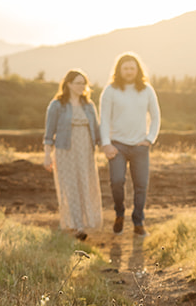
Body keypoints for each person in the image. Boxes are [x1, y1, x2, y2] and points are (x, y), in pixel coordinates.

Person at [99, 52, 160, 235]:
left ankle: (138, 222)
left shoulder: (147, 90)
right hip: (117, 145)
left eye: (132, 68)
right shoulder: (110, 90)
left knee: (141, 185)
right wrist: (106, 144)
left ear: (137, 70)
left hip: (140, 146)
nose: (129, 71)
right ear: (119, 70)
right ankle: (119, 214)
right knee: (117, 181)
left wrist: (149, 139)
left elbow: (156, 117)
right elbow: (104, 120)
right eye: (125, 68)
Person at [43, 69, 103, 239]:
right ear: (68, 84)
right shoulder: (57, 105)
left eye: (84, 83)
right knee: (70, 187)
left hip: (86, 152)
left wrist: (106, 147)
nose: (81, 86)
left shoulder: (89, 106)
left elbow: (97, 132)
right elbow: (49, 134)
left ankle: (86, 221)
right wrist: (47, 155)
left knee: (85, 184)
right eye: (78, 83)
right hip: (65, 151)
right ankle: (76, 226)